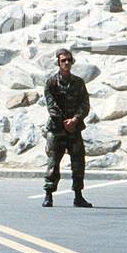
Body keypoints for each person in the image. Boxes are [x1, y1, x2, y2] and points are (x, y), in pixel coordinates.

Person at [42, 48, 92, 208]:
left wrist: (75, 120)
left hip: (74, 129)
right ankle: (48, 195)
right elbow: (52, 106)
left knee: (78, 162)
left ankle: (78, 195)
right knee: (53, 162)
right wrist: (65, 122)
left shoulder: (78, 83)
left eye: (69, 60)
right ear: (58, 62)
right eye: (63, 60)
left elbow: (85, 104)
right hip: (57, 129)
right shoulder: (51, 83)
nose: (66, 63)